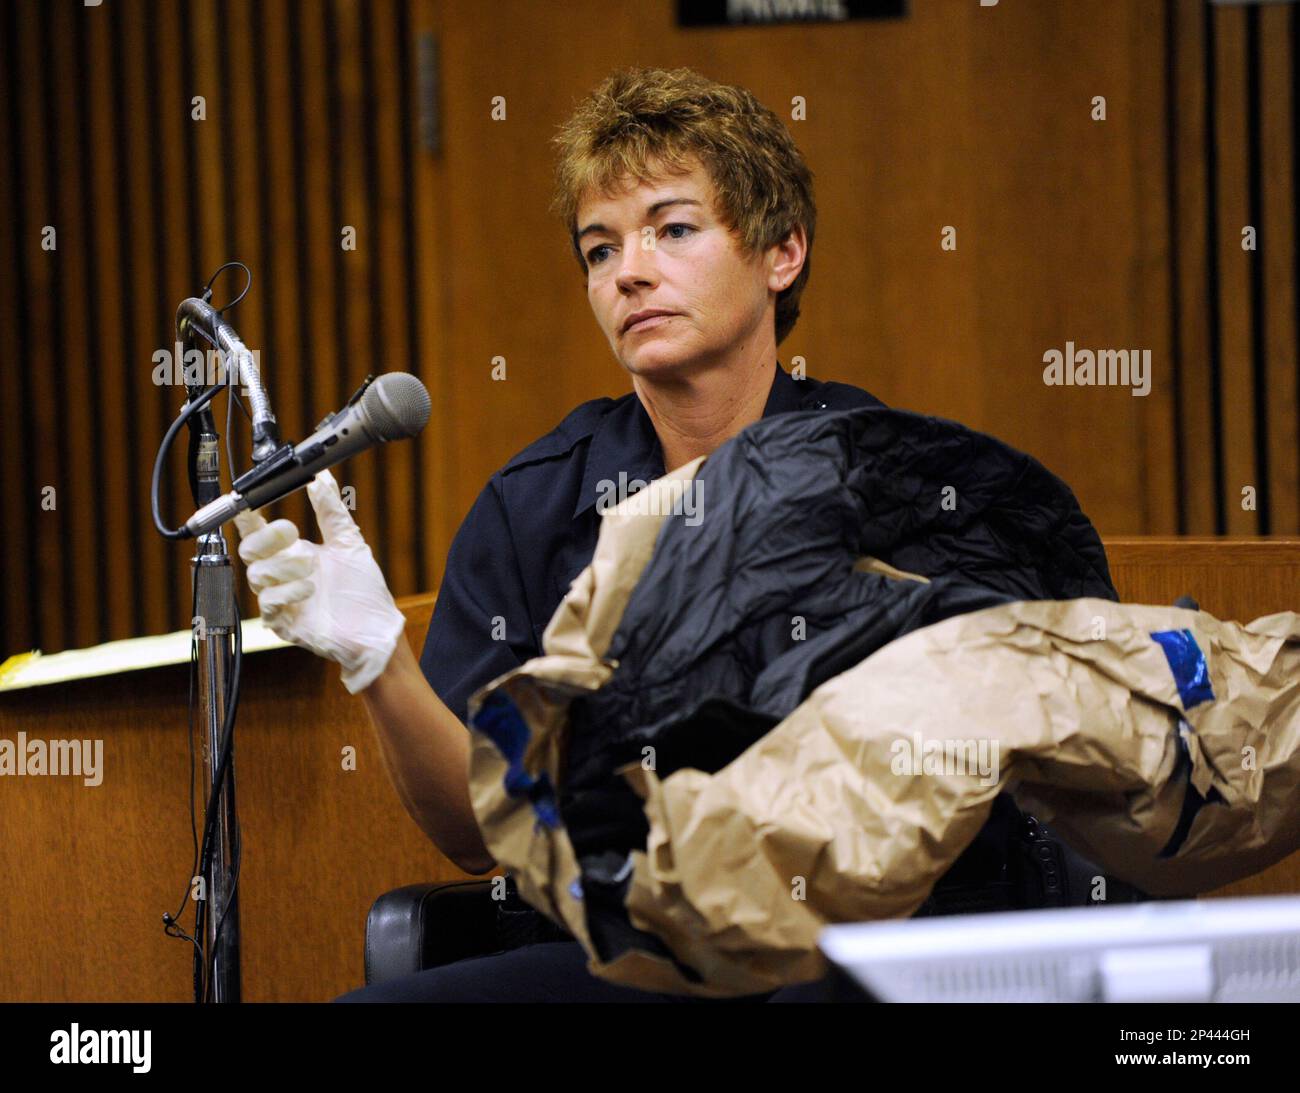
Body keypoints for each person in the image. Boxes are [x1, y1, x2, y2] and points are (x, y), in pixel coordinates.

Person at [234, 66, 885, 1002]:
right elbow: (473, 835)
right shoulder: (534, 505)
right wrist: (380, 664)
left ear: (781, 254)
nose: (630, 270)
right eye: (598, 249)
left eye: (673, 229)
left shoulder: (885, 472)